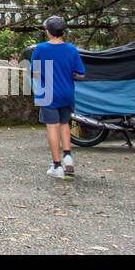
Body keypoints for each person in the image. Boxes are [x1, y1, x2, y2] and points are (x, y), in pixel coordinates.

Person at [30, 15, 86, 179]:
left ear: (48, 31)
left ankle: (57, 166)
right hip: (67, 92)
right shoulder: (71, 49)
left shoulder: (40, 49)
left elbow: (34, 71)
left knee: (52, 126)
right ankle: (68, 157)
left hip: (47, 91)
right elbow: (81, 74)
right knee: (64, 124)